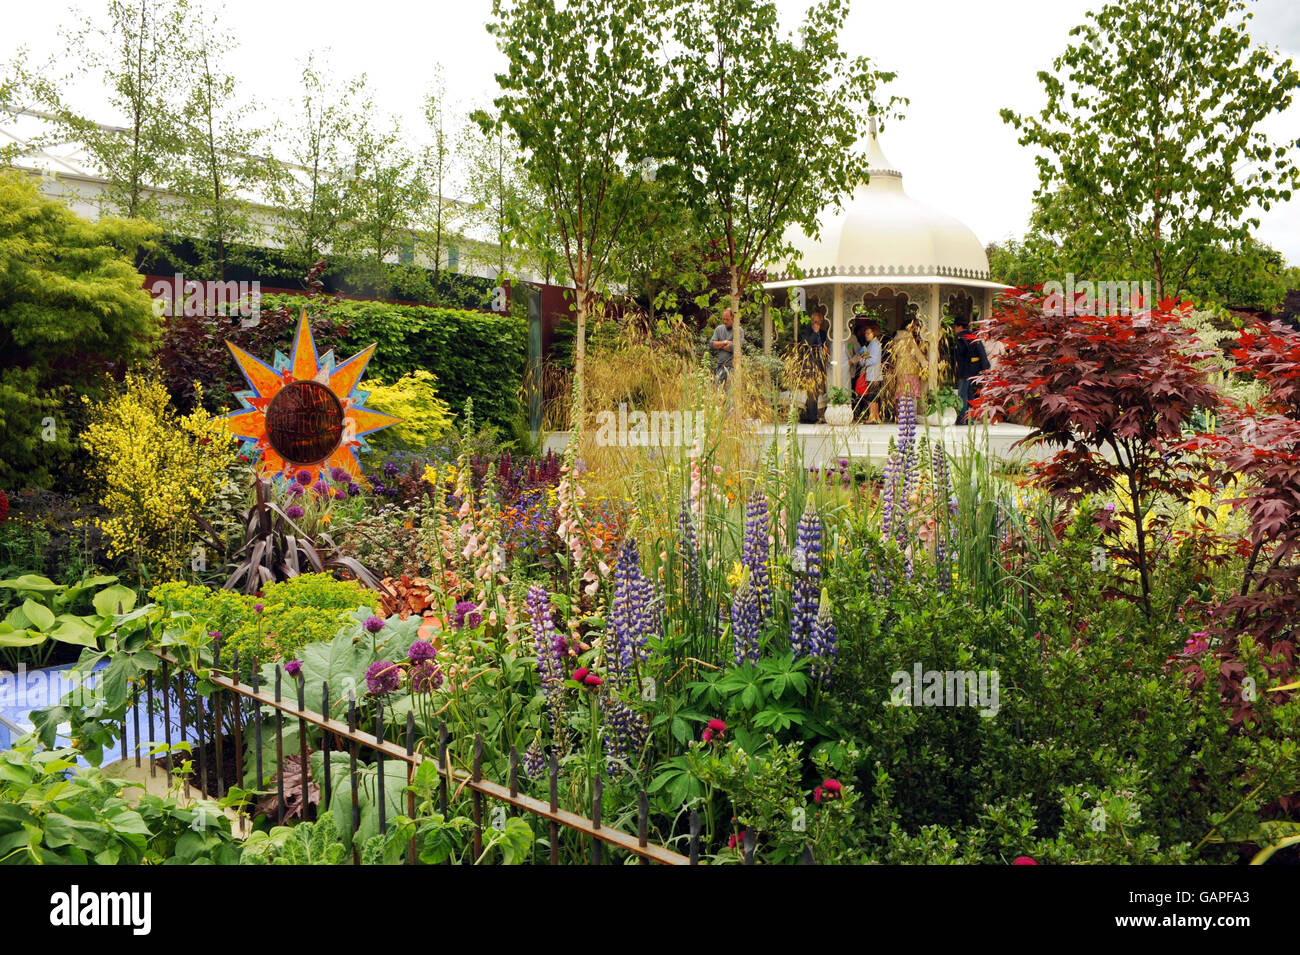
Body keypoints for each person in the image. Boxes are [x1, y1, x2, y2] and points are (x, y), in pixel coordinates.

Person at [953, 317, 990, 424]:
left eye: (955, 327)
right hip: (974, 369)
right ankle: (972, 418)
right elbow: (981, 353)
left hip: (965, 369)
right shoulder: (974, 336)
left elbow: (961, 354)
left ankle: (962, 418)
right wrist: (984, 367)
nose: (954, 329)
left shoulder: (961, 338)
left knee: (963, 394)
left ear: (959, 327)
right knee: (969, 394)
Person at [798, 306, 830, 423]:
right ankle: (812, 417)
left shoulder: (823, 333)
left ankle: (810, 415)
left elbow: (824, 346)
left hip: (821, 365)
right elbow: (806, 345)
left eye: (819, 322)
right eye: (815, 321)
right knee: (812, 391)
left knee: (818, 391)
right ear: (812, 321)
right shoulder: (806, 331)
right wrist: (814, 333)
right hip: (809, 365)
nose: (817, 323)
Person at [856, 320, 884, 423]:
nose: (866, 335)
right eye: (865, 333)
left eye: (868, 333)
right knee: (873, 396)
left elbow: (873, 360)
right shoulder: (872, 344)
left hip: (873, 374)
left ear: (874, 333)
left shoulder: (875, 344)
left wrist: (862, 360)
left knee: (871, 396)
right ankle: (875, 417)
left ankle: (872, 417)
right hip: (873, 373)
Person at [710, 308, 736, 384]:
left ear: (733, 318)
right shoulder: (719, 329)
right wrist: (726, 342)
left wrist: (718, 344)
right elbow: (711, 345)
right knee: (717, 392)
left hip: (732, 367)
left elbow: (734, 348)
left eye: (727, 319)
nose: (725, 322)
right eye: (723, 319)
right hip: (720, 366)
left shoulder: (738, 330)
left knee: (730, 393)